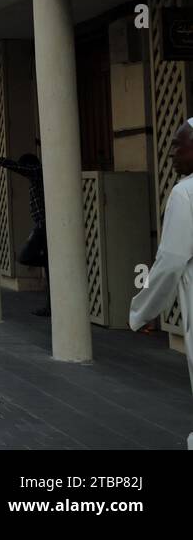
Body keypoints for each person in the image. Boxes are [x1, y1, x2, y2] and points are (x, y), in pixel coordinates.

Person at [130, 120, 193, 450]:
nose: (171, 154)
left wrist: (143, 311)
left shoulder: (185, 193)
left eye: (178, 145)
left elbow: (170, 263)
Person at [0, 152, 49, 316]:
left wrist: (1, 160)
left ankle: (49, 262)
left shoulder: (38, 172)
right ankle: (49, 263)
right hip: (41, 225)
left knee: (24, 256)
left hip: (43, 226)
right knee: (35, 261)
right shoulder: (37, 176)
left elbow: (21, 168)